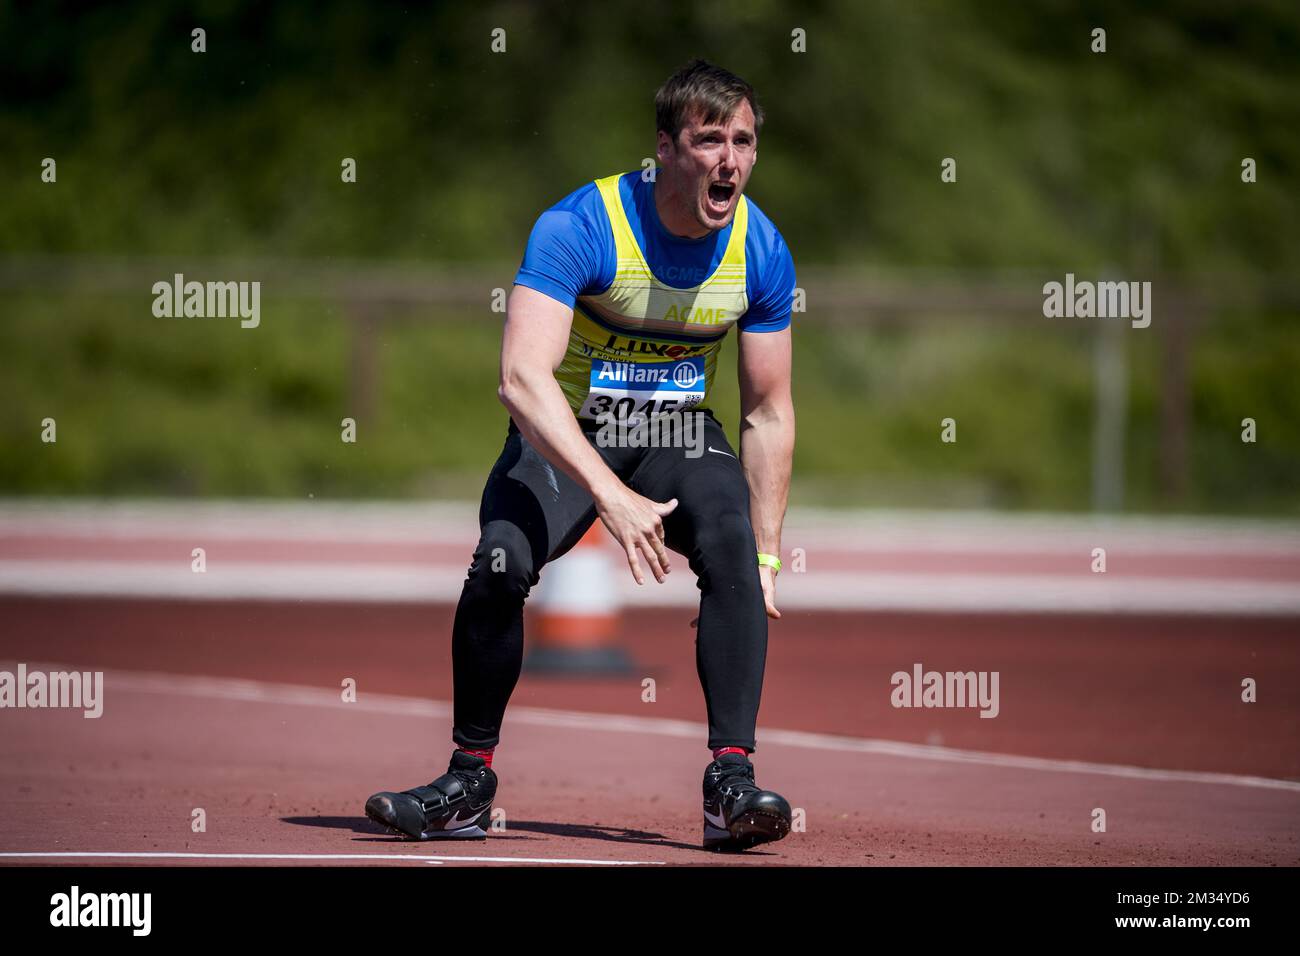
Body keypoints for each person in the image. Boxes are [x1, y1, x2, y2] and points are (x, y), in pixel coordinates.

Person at [365, 58, 797, 851]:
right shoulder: (582, 225)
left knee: (735, 544)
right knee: (501, 559)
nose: (729, 159)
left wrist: (767, 559)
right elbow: (521, 380)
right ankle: (467, 780)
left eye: (743, 140)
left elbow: (768, 411)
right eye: (709, 140)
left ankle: (730, 786)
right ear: (665, 148)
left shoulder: (761, 249)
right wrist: (608, 493)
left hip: (673, 429)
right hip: (573, 425)